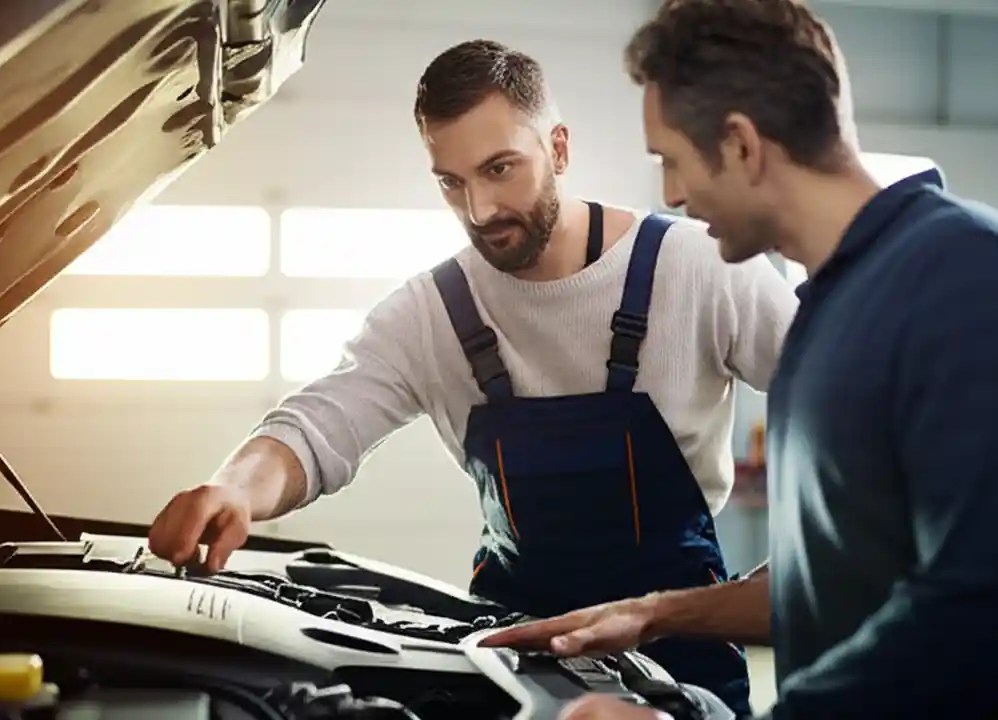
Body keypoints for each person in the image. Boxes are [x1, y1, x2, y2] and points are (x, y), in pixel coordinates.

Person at [480, 1, 998, 719]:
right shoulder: (825, 314)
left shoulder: (970, 277)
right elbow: (836, 583)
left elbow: (990, 620)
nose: (673, 195)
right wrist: (652, 614)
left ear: (741, 145)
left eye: (672, 161)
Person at [146, 38, 799, 715]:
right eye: (452, 183)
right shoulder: (432, 314)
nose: (480, 209)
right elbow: (316, 425)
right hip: (510, 664)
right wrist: (234, 489)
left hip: (678, 660)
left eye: (501, 168)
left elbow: (847, 406)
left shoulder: (700, 269)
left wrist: (795, 578)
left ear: (561, 149)